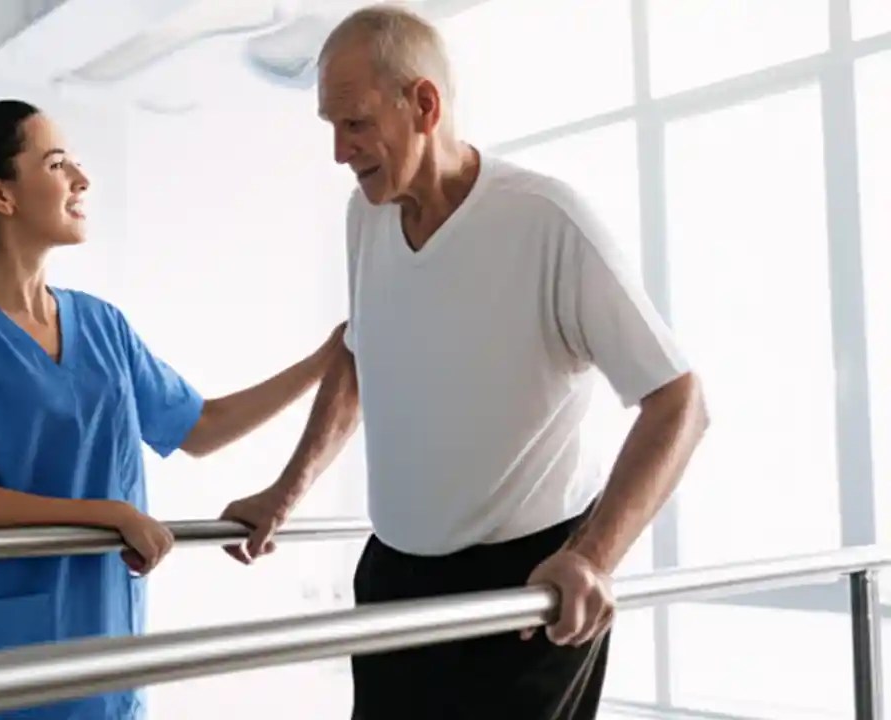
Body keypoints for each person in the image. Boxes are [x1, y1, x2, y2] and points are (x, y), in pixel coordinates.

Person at [219, 6, 710, 719]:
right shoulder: (367, 217)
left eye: (354, 123)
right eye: (330, 126)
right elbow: (359, 361)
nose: (338, 151)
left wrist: (593, 557)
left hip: (524, 587)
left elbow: (679, 401)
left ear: (423, 103)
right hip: (393, 575)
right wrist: (285, 493)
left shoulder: (545, 219)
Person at [0, 99, 344, 720]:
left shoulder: (103, 325)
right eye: (57, 163)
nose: (81, 180)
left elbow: (201, 428)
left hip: (106, 640)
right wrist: (111, 514)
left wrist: (326, 360)